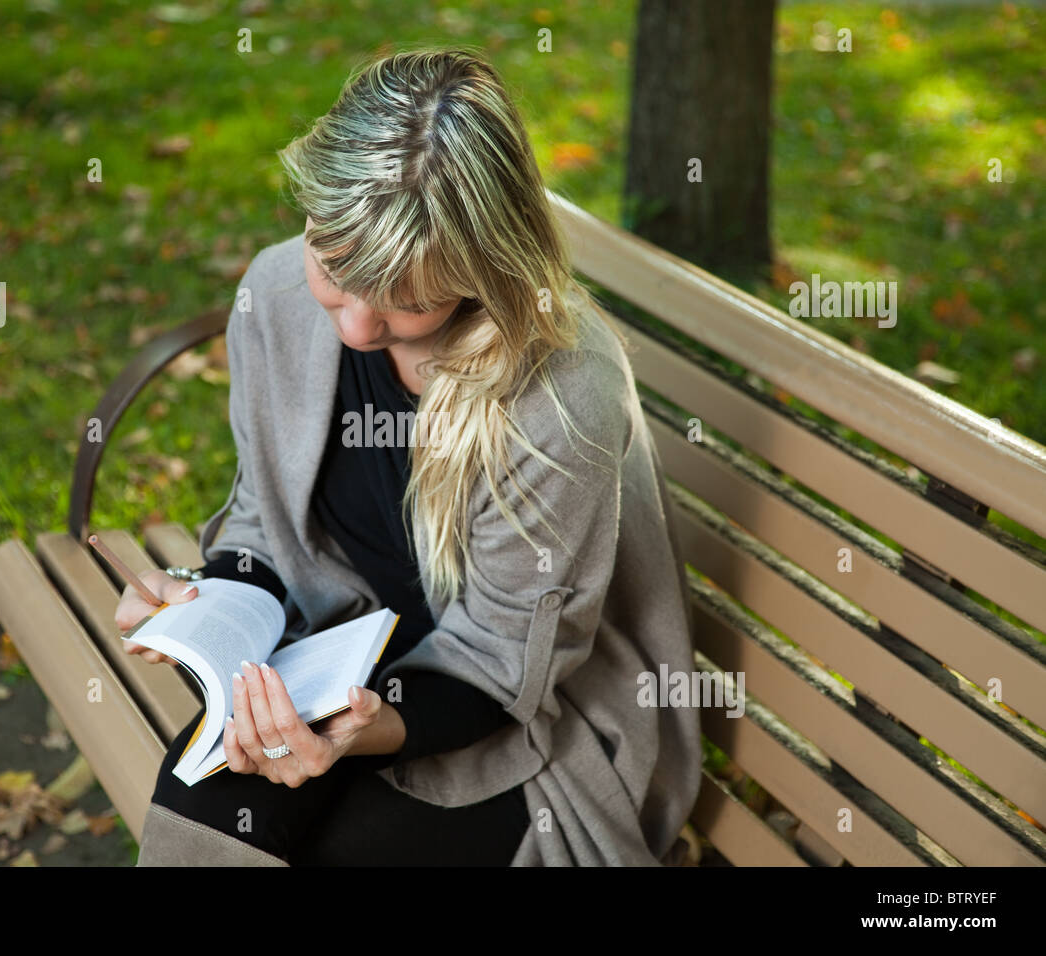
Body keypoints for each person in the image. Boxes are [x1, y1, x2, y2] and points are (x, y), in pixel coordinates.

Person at [115, 46, 702, 866]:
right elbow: (264, 518)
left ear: (484, 272)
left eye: (411, 301)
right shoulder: (279, 293)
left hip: (524, 725)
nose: (355, 327)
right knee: (199, 824)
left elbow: (503, 663)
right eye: (338, 270)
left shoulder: (561, 398)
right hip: (332, 654)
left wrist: (368, 729)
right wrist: (207, 604)